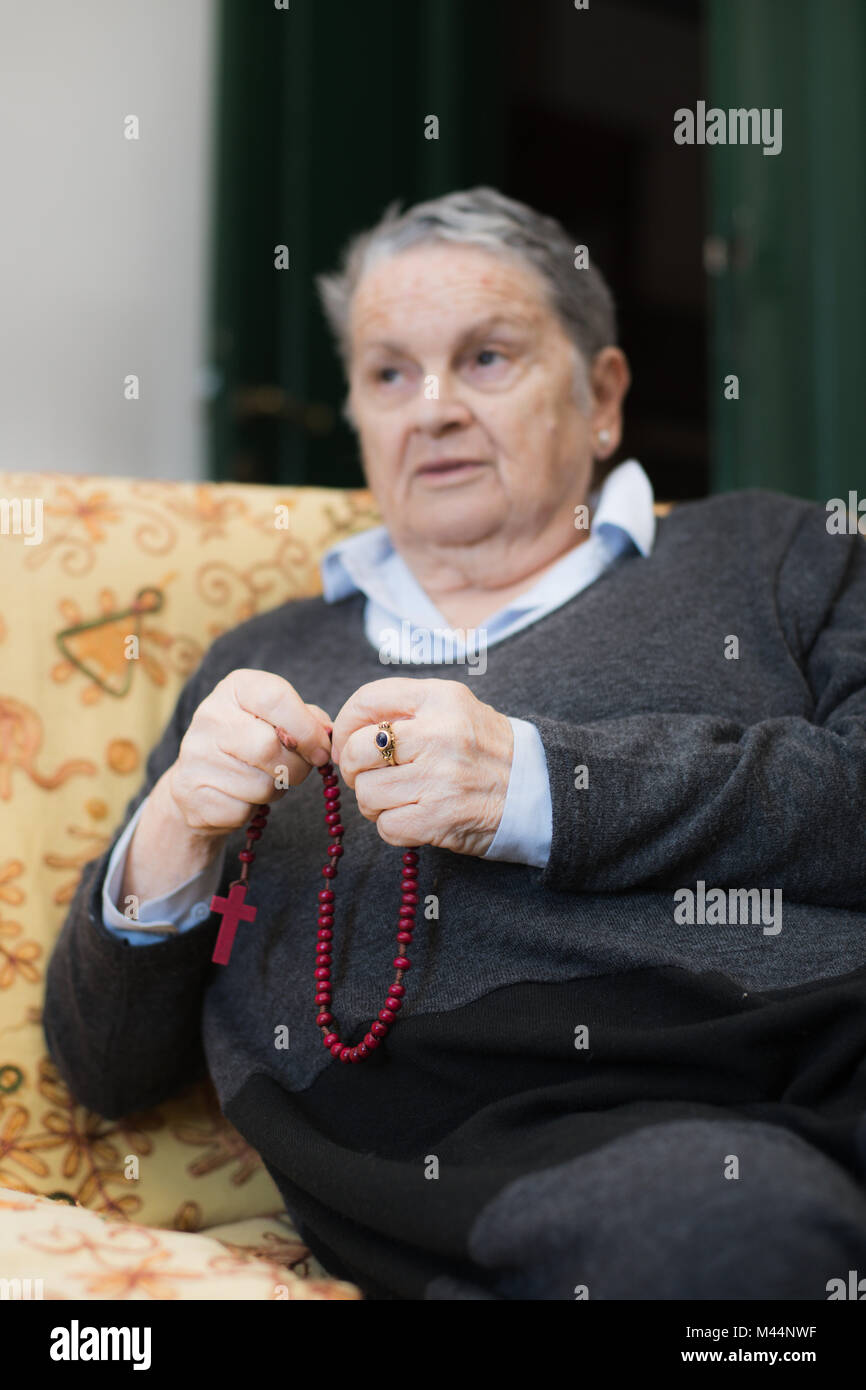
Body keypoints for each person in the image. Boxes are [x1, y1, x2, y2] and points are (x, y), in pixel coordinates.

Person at [44, 187, 866, 1301]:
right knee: (732, 1235)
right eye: (388, 373)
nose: (428, 409)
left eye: (484, 358)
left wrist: (541, 788)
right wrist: (173, 841)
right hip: (533, 1141)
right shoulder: (266, 657)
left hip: (832, 1039)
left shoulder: (783, 554)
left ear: (602, 396)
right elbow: (104, 1069)